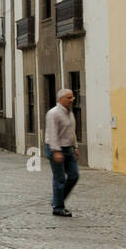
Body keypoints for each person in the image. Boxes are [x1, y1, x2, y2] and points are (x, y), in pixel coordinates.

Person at [45, 88, 80, 217]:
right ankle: (58, 207)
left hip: (68, 148)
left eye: (72, 97)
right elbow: (52, 133)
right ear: (61, 99)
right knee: (59, 179)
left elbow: (72, 131)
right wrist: (56, 151)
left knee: (74, 176)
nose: (72, 100)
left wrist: (75, 147)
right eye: (69, 98)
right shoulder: (53, 113)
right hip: (55, 148)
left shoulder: (69, 112)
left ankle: (57, 199)